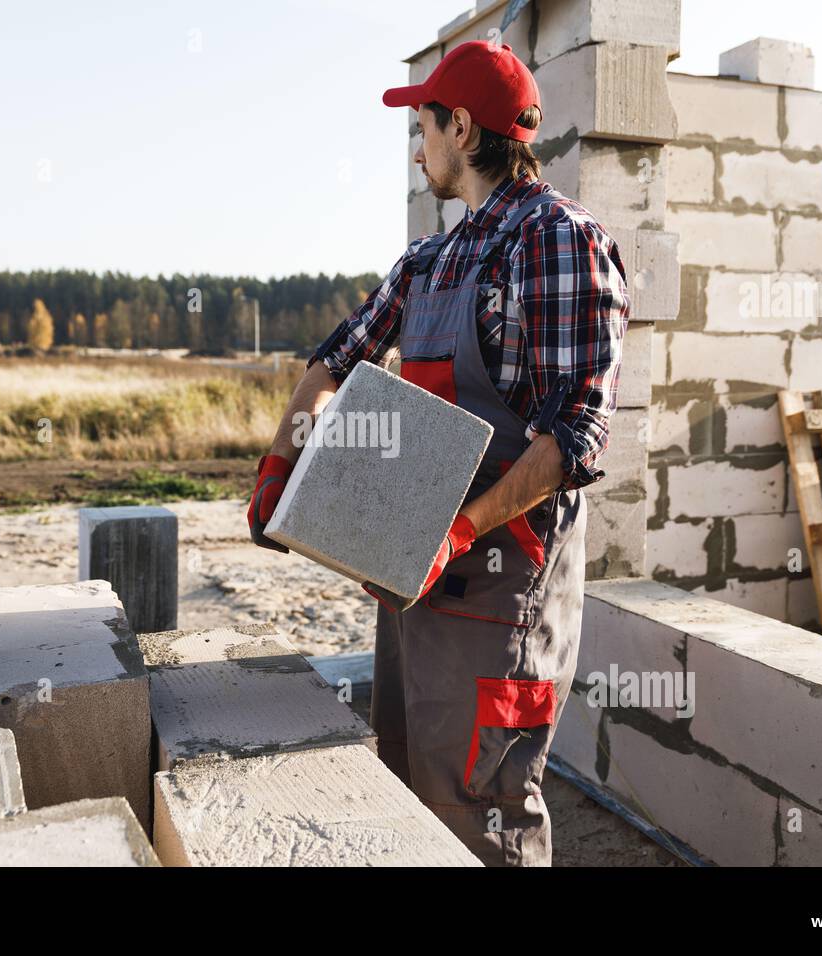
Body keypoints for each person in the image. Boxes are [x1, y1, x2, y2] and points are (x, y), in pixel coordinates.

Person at [248, 39, 630, 867]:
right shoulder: (430, 261)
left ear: (461, 126)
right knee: (406, 790)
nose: (416, 147)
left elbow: (576, 435)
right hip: (409, 585)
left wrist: (457, 533)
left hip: (501, 593)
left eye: (421, 126)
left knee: (479, 809)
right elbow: (335, 358)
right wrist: (285, 462)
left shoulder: (558, 241)